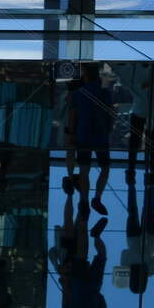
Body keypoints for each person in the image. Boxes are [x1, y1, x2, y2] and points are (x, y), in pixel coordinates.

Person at [66, 64, 114, 214]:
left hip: (83, 135)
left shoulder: (78, 93)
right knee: (105, 168)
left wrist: (71, 134)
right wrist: (109, 129)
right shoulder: (105, 93)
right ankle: (97, 198)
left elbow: (73, 115)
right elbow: (111, 114)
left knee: (84, 170)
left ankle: (84, 201)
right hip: (101, 136)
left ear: (85, 75)